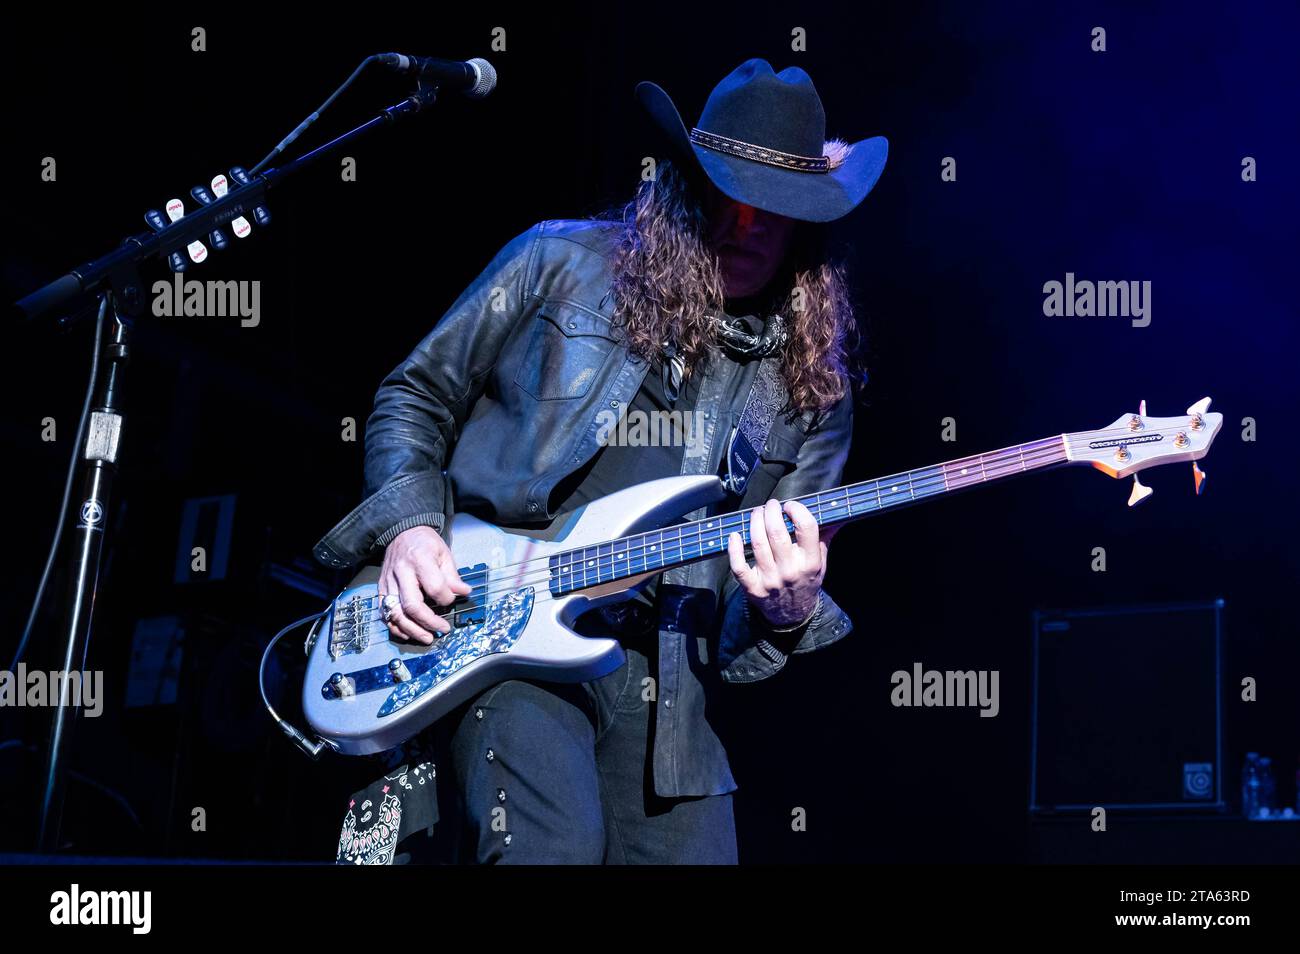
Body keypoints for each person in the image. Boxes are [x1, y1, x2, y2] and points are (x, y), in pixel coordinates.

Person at [316, 57, 888, 864]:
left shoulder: (810, 389)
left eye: (776, 211)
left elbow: (742, 634)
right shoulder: (558, 262)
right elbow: (416, 392)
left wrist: (786, 610)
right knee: (553, 848)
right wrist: (411, 531)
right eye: (731, 197)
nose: (748, 229)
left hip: (670, 702)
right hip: (501, 639)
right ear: (689, 185)